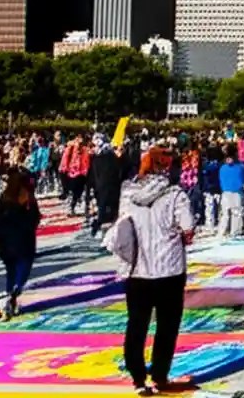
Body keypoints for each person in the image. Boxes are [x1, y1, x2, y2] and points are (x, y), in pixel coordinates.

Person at [115, 147, 194, 396]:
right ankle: (160, 375)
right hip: (169, 268)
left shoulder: (129, 192)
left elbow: (122, 225)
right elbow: (188, 226)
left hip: (137, 268)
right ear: (168, 167)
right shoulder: (175, 194)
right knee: (167, 325)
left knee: (137, 324)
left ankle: (138, 378)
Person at [0, 168, 41, 320]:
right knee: (21, 272)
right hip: (22, 244)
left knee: (12, 272)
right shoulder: (24, 201)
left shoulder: (4, 200)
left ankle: (11, 298)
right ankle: (13, 294)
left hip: (7, 244)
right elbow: (33, 221)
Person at [88, 134, 122, 237]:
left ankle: (100, 226)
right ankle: (103, 228)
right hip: (108, 186)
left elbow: (93, 173)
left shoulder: (97, 157)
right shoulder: (110, 156)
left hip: (102, 186)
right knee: (108, 209)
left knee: (103, 208)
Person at [217, 145, 244, 237]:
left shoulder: (223, 168)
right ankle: (234, 231)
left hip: (228, 192)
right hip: (234, 192)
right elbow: (243, 180)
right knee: (234, 213)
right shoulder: (241, 167)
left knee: (227, 213)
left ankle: (224, 231)